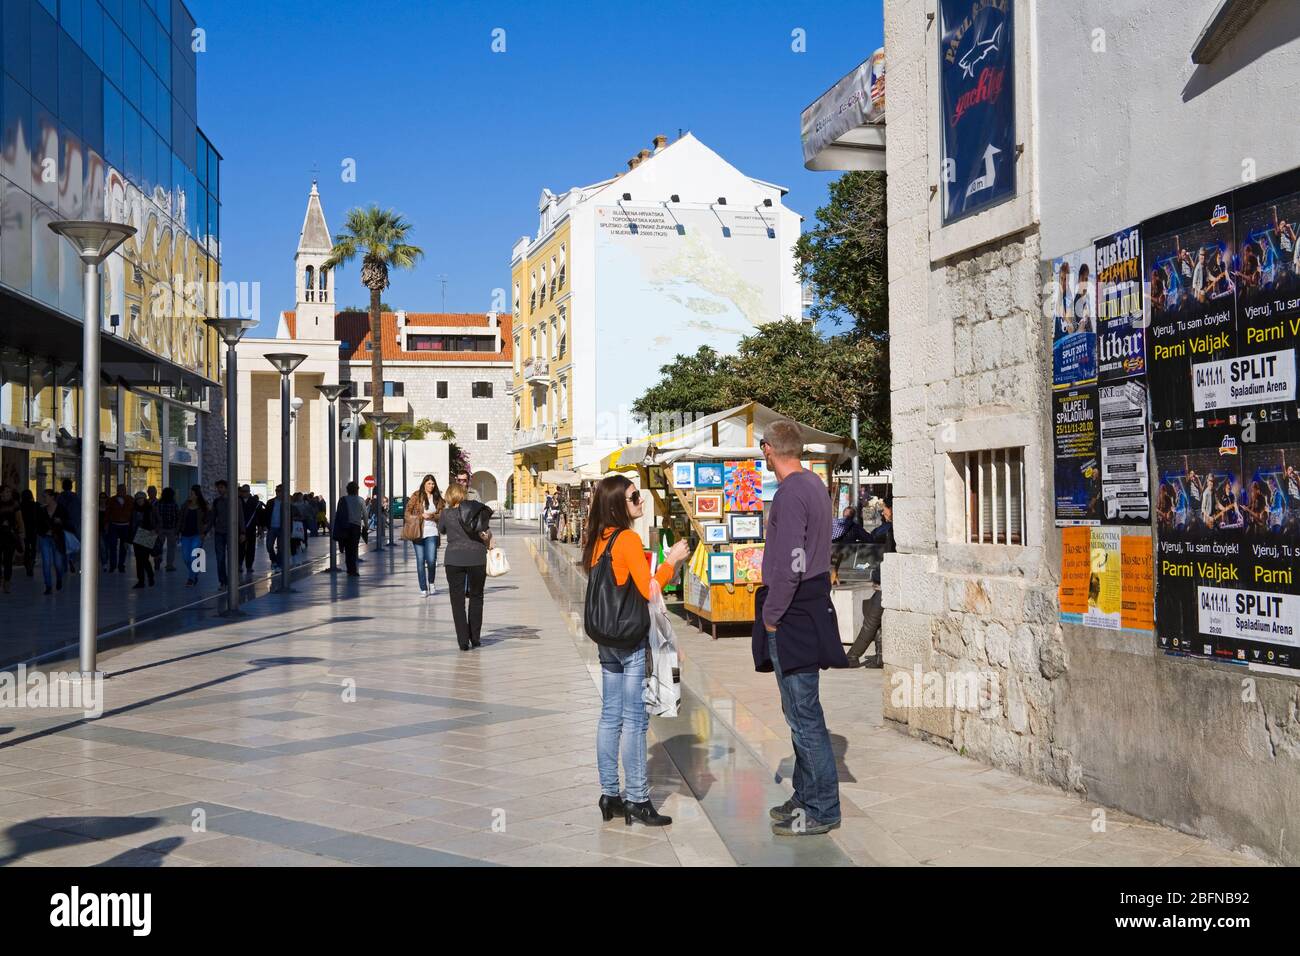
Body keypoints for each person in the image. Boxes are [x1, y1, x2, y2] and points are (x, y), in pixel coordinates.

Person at [753, 419, 847, 837]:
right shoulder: (813, 486)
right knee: (800, 712)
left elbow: (792, 560)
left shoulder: (791, 493)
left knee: (803, 715)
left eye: (763, 448)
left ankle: (823, 808)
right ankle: (805, 794)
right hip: (808, 603)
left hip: (793, 609)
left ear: (769, 450)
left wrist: (772, 615)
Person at [583, 475, 690, 827]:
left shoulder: (597, 539)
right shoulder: (626, 538)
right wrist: (671, 560)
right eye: (634, 497)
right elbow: (650, 590)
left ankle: (609, 795)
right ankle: (638, 800)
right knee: (634, 721)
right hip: (629, 642)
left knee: (609, 717)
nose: (640, 501)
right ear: (618, 505)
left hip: (606, 640)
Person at [438, 483, 494, 650]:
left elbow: (442, 530)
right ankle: (475, 638)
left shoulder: (446, 514)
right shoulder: (475, 511)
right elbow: (486, 531)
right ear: (463, 495)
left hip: (454, 559)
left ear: (449, 496)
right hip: (477, 557)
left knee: (457, 601)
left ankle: (463, 641)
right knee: (477, 597)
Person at [847, 499, 893, 668]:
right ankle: (880, 656)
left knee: (871, 620)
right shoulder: (891, 529)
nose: (883, 513)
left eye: (885, 509)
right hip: (886, 581)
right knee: (876, 618)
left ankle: (852, 656)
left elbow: (874, 536)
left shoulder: (891, 530)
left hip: (887, 582)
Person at [406, 475, 443, 597]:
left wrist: (431, 516)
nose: (431, 486)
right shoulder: (416, 496)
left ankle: (431, 582)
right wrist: (421, 516)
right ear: (424, 484)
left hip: (432, 532)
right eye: (429, 483)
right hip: (418, 532)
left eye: (433, 484)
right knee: (420, 561)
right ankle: (423, 588)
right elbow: (407, 512)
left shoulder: (437, 497)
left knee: (431, 560)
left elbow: (442, 515)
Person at [34, 489, 70, 595]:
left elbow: (68, 523)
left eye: (45, 496)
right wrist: (45, 531)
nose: (43, 498)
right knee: (46, 562)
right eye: (43, 496)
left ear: (52, 497)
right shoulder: (42, 510)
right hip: (45, 538)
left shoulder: (61, 509)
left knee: (58, 563)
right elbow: (38, 525)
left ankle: (59, 578)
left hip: (57, 538)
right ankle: (48, 586)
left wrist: (61, 522)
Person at [334, 481, 366, 576]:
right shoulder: (360, 500)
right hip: (356, 527)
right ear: (357, 490)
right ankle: (353, 569)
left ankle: (350, 568)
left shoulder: (342, 500)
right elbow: (365, 514)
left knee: (348, 548)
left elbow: (338, 514)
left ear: (347, 490)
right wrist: (366, 526)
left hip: (345, 526)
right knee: (353, 548)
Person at [179, 485, 208, 586]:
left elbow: (207, 521)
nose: (189, 495)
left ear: (196, 495)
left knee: (193, 557)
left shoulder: (203, 506)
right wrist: (177, 532)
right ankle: (195, 571)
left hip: (197, 535)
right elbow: (180, 519)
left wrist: (204, 533)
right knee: (186, 558)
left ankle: (191, 578)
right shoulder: (185, 505)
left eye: (191, 493)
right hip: (185, 535)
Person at [129, 490, 157, 589]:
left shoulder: (150, 509)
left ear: (145, 499)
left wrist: (155, 530)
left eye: (141, 499)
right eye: (138, 499)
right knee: (138, 559)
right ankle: (141, 580)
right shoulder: (134, 510)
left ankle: (150, 576)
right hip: (137, 535)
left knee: (144, 558)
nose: (140, 501)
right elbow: (131, 523)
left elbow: (157, 521)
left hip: (147, 534)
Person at [0, 485, 24, 594]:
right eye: (6, 492)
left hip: (10, 536)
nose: (8, 494)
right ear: (1, 493)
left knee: (8, 560)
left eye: (9, 492)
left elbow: (19, 520)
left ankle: (7, 581)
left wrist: (22, 533)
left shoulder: (14, 504)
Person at [105, 483, 134, 573]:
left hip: (126, 525)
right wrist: (106, 524)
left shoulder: (130, 499)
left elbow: (133, 512)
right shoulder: (112, 500)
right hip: (114, 525)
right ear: (117, 490)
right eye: (120, 489)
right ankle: (113, 565)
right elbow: (107, 513)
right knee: (112, 546)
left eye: (123, 489)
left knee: (124, 546)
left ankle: (121, 565)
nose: (122, 491)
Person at [57, 478, 79, 573]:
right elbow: (78, 511)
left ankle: (65, 563)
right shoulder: (75, 497)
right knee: (73, 542)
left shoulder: (59, 497)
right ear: (71, 486)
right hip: (72, 523)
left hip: (62, 523)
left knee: (63, 543)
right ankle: (71, 559)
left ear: (63, 486)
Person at [211, 480, 231, 587]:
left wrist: (242, 531)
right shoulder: (216, 501)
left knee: (232, 557)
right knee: (220, 557)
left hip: (231, 533)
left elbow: (240, 516)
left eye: (222, 487)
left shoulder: (234, 500)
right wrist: (206, 530)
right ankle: (223, 580)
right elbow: (213, 516)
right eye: (218, 488)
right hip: (219, 532)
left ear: (227, 488)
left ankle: (232, 578)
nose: (219, 490)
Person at [156, 487, 180, 571]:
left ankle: (158, 559)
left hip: (161, 528)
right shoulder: (174, 504)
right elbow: (177, 516)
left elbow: (156, 515)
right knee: (171, 548)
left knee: (159, 546)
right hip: (171, 528)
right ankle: (169, 565)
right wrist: (177, 529)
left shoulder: (159, 503)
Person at [21, 489, 39, 578]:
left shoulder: (20, 506)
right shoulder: (35, 505)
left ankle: (27, 562)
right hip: (33, 529)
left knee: (26, 547)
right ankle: (31, 561)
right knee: (33, 547)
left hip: (24, 530)